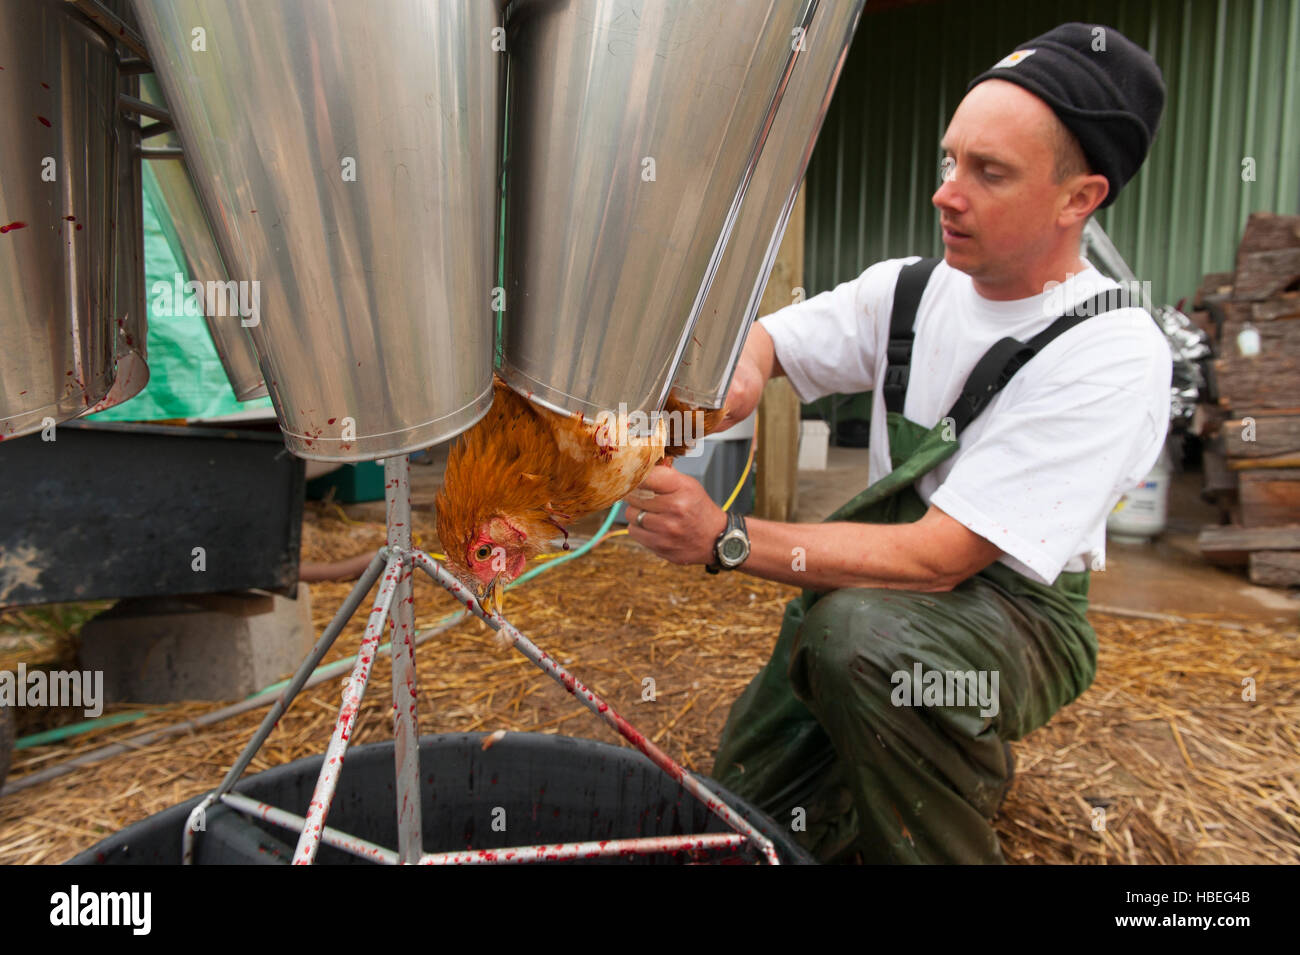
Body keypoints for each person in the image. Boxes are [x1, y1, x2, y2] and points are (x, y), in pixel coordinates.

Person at [621, 22, 1171, 863]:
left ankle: (949, 811)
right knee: (744, 815)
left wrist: (725, 538)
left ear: (1079, 198)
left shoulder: (1111, 351)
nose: (946, 192)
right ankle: (881, 758)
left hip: (1014, 619)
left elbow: (939, 559)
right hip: (873, 595)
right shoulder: (912, 290)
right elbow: (773, 339)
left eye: (989, 173)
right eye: (950, 160)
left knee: (858, 644)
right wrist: (742, 372)